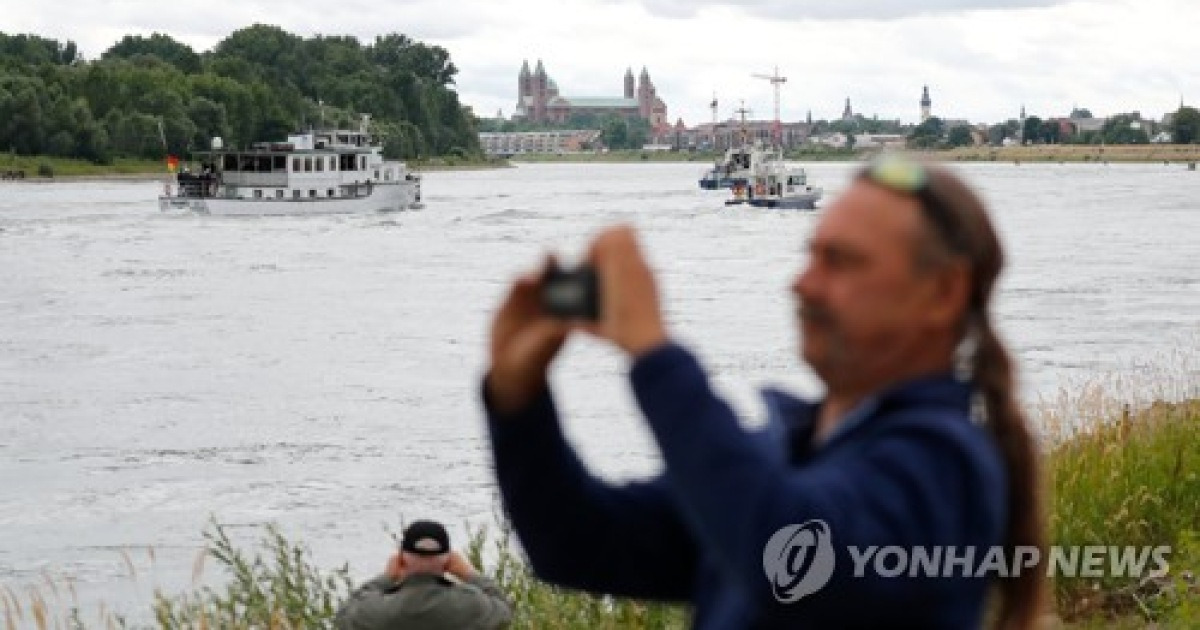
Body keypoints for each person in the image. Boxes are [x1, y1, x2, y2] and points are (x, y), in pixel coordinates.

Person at [482, 155, 1046, 629]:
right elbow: (576, 542)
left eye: (840, 261)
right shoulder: (789, 456)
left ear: (944, 293)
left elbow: (788, 558)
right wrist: (518, 400)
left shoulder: (943, 467)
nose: (802, 283)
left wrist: (655, 356)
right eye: (810, 254)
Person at [334, 520, 512, 630]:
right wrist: (468, 573)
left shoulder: (377, 609)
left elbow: (343, 616)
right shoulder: (470, 604)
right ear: (448, 560)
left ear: (402, 558)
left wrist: (386, 578)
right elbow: (504, 611)